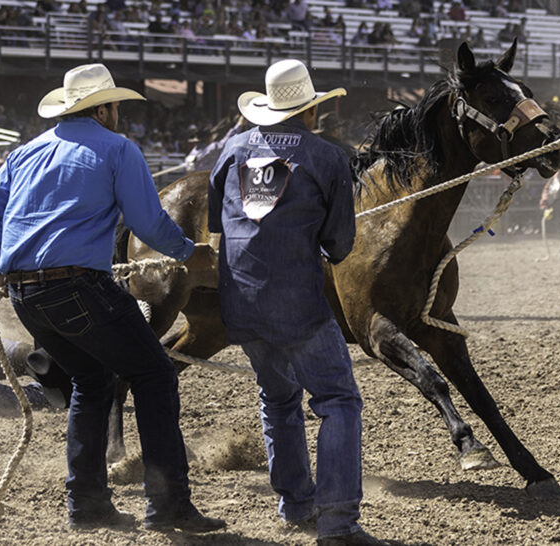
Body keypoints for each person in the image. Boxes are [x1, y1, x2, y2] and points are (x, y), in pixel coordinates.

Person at [0, 63, 225, 534]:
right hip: (77, 286)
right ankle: (168, 505)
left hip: (27, 293)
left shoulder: (26, 152)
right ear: (104, 108)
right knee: (153, 375)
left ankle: (87, 506)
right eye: (116, 107)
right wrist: (190, 252)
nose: (119, 115)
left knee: (91, 380)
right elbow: (148, 223)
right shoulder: (116, 149)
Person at [214, 59, 381, 546]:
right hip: (295, 304)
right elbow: (339, 246)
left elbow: (222, 224)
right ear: (309, 111)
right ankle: (338, 523)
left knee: (277, 397)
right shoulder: (326, 157)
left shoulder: (232, 149)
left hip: (239, 300)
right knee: (338, 401)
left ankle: (295, 503)